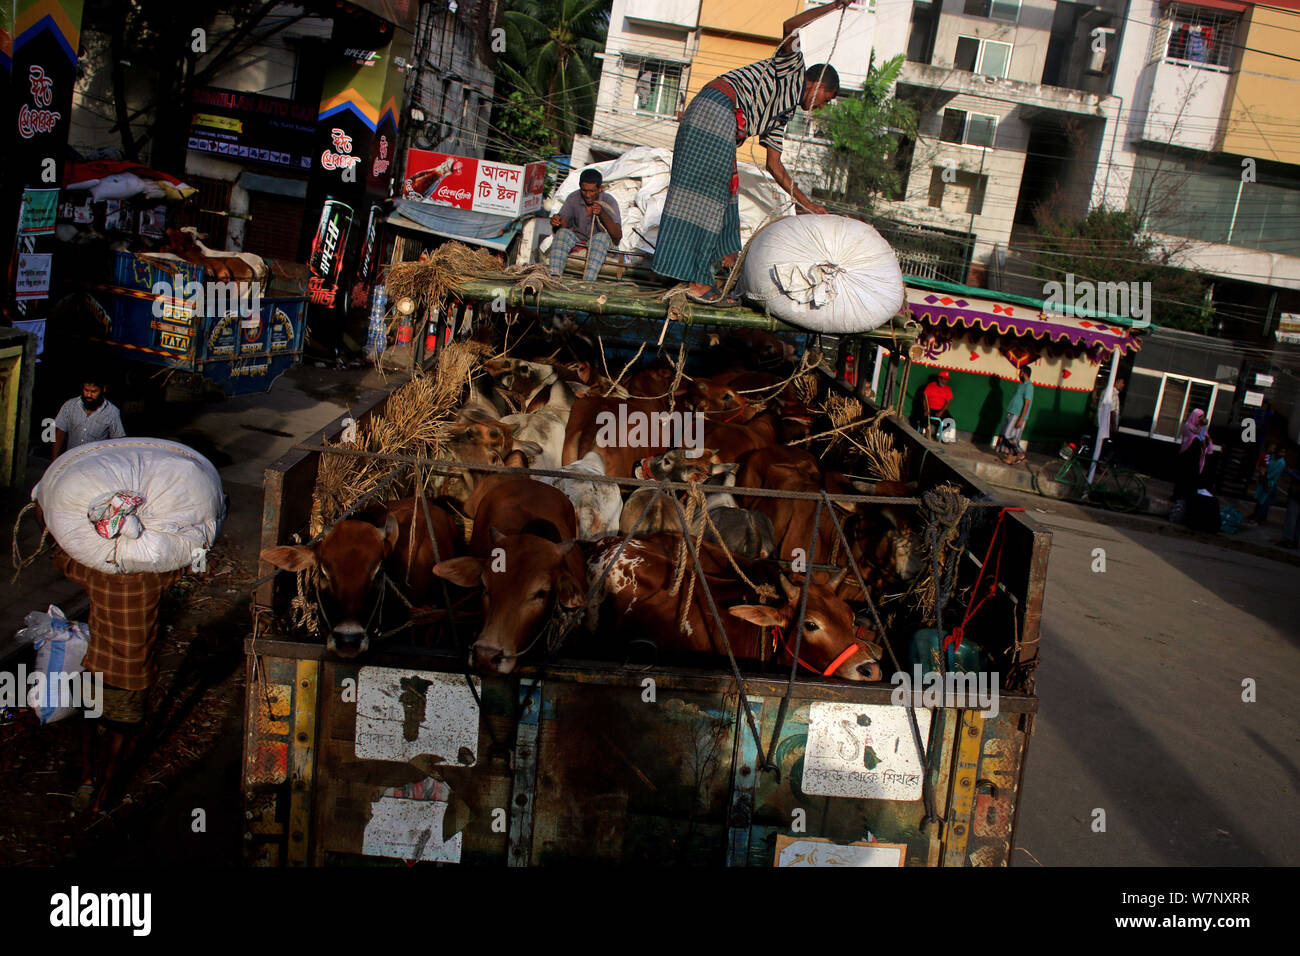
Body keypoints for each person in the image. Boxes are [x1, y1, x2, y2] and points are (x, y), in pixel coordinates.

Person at [652, 0, 851, 304]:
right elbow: (789, 26)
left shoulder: (782, 115)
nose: (821, 106)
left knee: (724, 190)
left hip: (718, 120)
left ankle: (712, 267)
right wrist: (835, 6)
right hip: (716, 109)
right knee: (710, 193)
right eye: (827, 98)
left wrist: (809, 205)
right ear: (818, 85)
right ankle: (696, 280)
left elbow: (775, 165)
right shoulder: (792, 67)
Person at [52, 547, 183, 813]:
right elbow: (187, 561)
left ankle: (88, 781)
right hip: (134, 674)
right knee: (119, 732)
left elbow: (62, 561)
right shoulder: (152, 578)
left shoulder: (96, 574)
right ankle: (107, 788)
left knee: (89, 722)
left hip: (98, 667)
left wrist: (47, 523)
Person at [548, 169, 624, 282]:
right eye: (584, 191)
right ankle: (554, 278)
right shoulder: (574, 198)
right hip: (579, 241)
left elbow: (617, 237)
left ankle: (587, 283)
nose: (588, 195)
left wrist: (602, 213)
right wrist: (556, 222)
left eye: (592, 191)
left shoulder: (609, 201)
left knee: (600, 238)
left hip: (601, 244)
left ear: (600, 189)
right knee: (562, 233)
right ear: (580, 187)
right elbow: (562, 225)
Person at [52, 375, 125, 459]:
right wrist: (54, 460)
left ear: (103, 389)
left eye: (94, 392)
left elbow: (117, 443)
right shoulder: (70, 405)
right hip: (71, 460)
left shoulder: (112, 412)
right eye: (86, 390)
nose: (89, 395)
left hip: (95, 464)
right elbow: (59, 435)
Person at [1173, 408, 1215, 502]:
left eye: (1202, 417)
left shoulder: (1200, 428)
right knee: (1183, 477)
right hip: (1186, 456)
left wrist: (1205, 441)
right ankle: (1178, 497)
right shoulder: (1189, 426)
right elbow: (1193, 439)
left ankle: (1187, 498)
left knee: (1192, 479)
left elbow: (1206, 439)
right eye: (1199, 417)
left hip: (1195, 459)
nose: (1200, 419)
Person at [995, 366, 1034, 464]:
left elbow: (1027, 403)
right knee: (1006, 434)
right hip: (1011, 412)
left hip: (1018, 415)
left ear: (1024, 373)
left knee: (1009, 435)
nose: (1019, 374)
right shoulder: (1021, 385)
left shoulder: (1029, 386)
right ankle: (1009, 458)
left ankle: (1020, 453)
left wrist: (1021, 419)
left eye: (1020, 372)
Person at [1247, 443, 1286, 525]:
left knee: (1264, 502)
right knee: (1259, 499)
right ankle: (1256, 515)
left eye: (1283, 452)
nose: (1282, 454)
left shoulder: (1281, 463)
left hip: (1270, 483)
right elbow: (1264, 465)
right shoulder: (1271, 457)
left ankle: (1257, 518)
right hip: (1264, 480)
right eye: (1281, 452)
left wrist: (1265, 476)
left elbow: (1273, 475)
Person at [1274, 457, 1300, 548]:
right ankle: (1294, 540)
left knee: (1292, 517)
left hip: (1297, 495)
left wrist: (1290, 472)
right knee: (1297, 520)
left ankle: (1288, 539)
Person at [920, 370, 954, 438]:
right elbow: (924, 399)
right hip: (929, 408)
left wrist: (941, 412)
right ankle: (926, 431)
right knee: (923, 415)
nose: (946, 381)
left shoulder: (947, 389)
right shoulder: (930, 386)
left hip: (940, 409)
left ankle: (942, 435)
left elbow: (948, 403)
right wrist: (926, 409)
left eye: (947, 379)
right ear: (939, 379)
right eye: (944, 379)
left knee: (950, 420)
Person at [1097, 376, 1125, 453]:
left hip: (1106, 427)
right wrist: (1114, 427)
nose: (1123, 385)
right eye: (1122, 382)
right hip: (1106, 428)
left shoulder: (1112, 393)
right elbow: (1111, 411)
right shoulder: (1111, 393)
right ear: (1116, 382)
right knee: (1104, 448)